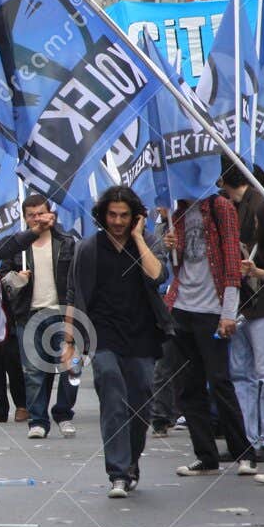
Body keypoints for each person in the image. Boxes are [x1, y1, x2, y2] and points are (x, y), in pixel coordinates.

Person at [63, 186, 169, 498]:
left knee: (141, 403)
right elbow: (73, 295)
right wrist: (69, 339)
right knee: (112, 393)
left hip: (142, 334)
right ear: (103, 215)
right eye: (112, 215)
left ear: (134, 217)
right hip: (102, 334)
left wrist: (138, 237)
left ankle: (131, 462)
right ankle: (118, 473)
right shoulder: (88, 248)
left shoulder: (148, 243)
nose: (118, 221)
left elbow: (158, 276)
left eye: (124, 215)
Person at [160, 184, 256, 477]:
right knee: (188, 387)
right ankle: (206, 455)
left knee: (220, 382)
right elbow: (176, 265)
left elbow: (230, 261)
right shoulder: (176, 211)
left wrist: (228, 311)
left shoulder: (219, 206)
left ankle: (245, 453)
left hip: (212, 309)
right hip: (181, 306)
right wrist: (170, 247)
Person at [220, 161, 264, 464]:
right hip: (241, 300)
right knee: (242, 374)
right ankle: (250, 437)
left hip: (261, 302)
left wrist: (255, 267)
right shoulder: (236, 206)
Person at [0, 193, 77, 439]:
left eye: (41, 213)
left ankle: (64, 414)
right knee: (33, 371)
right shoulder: (18, 246)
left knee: (71, 367)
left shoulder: (67, 242)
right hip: (28, 314)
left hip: (62, 313)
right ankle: (38, 420)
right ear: (26, 218)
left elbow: (76, 279)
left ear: (51, 214)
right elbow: (4, 280)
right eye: (31, 215)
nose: (37, 218)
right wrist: (17, 279)